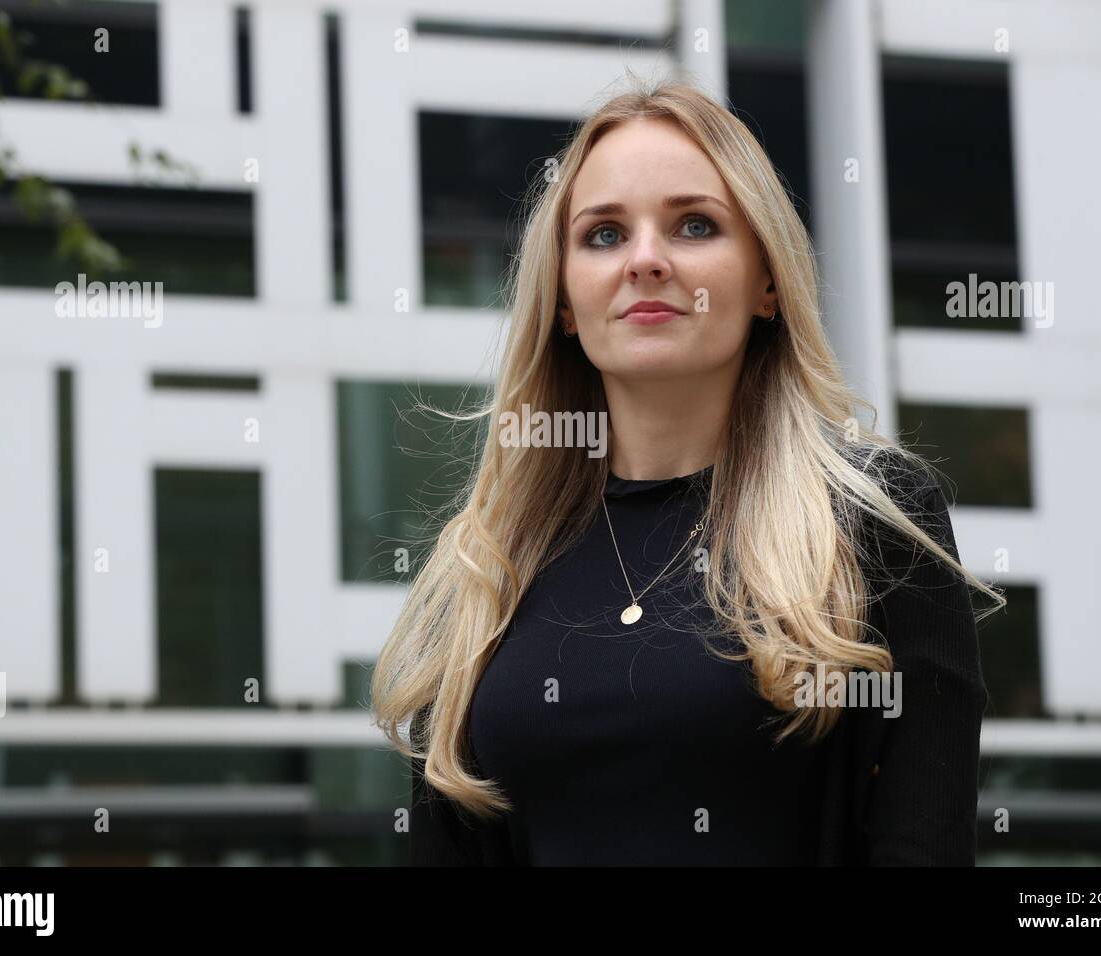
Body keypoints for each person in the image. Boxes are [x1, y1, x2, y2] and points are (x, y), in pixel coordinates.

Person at [370, 72, 1004, 866]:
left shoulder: (871, 517)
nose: (644, 261)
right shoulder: (493, 558)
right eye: (603, 234)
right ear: (565, 301)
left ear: (768, 282)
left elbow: (924, 846)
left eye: (694, 226)